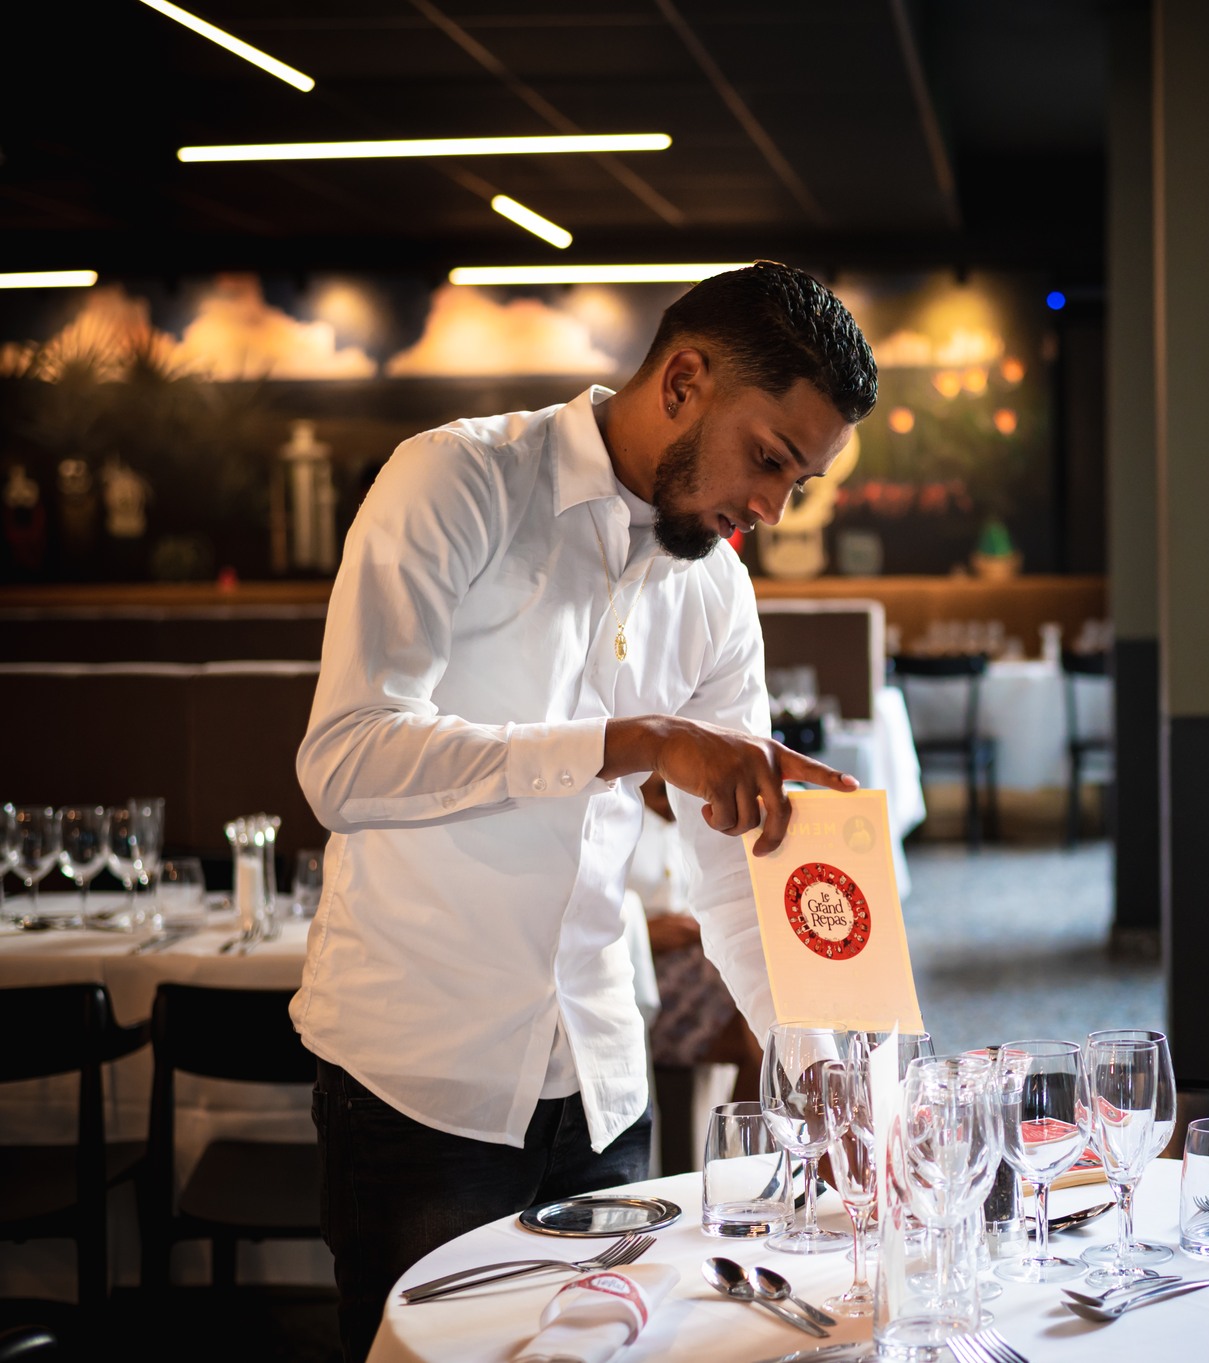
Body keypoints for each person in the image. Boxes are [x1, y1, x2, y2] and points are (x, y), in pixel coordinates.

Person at [292, 261, 877, 1361]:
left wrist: (823, 1072)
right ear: (684, 381)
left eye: (798, 481)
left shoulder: (715, 590)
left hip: (605, 1088)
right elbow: (347, 760)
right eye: (768, 459)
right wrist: (634, 743)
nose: (772, 508)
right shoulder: (456, 480)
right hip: (423, 1086)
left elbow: (737, 871)